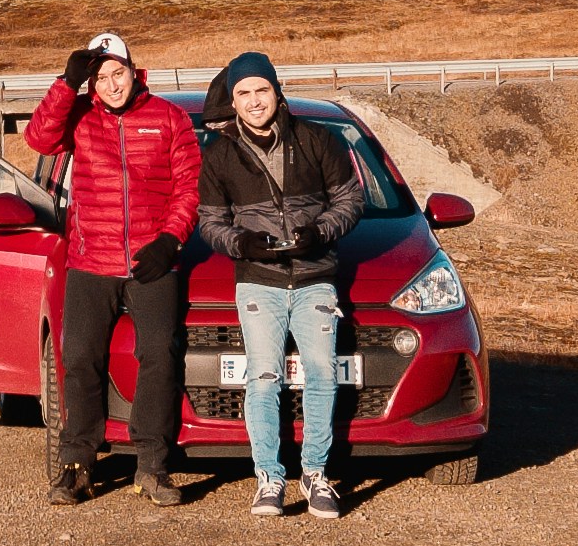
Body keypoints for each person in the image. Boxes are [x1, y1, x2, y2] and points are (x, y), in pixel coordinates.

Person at [20, 31, 200, 506]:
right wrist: (65, 85)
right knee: (78, 357)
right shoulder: (79, 117)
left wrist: (170, 239)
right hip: (90, 262)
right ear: (91, 83)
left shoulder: (169, 118)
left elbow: (189, 187)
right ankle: (77, 466)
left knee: (160, 354)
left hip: (151, 262)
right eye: (100, 78)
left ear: (133, 71)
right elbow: (38, 137)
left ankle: (153, 467)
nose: (112, 85)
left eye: (118, 73)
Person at [195, 51, 363, 520]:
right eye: (243, 93)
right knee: (263, 377)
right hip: (258, 283)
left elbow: (350, 197)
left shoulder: (317, 140)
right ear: (233, 101)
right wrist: (242, 243)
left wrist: (322, 231)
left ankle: (315, 474)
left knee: (323, 374)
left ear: (276, 91)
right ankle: (269, 477)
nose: (253, 102)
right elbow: (210, 221)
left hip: (316, 280)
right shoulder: (220, 155)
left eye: (261, 90)